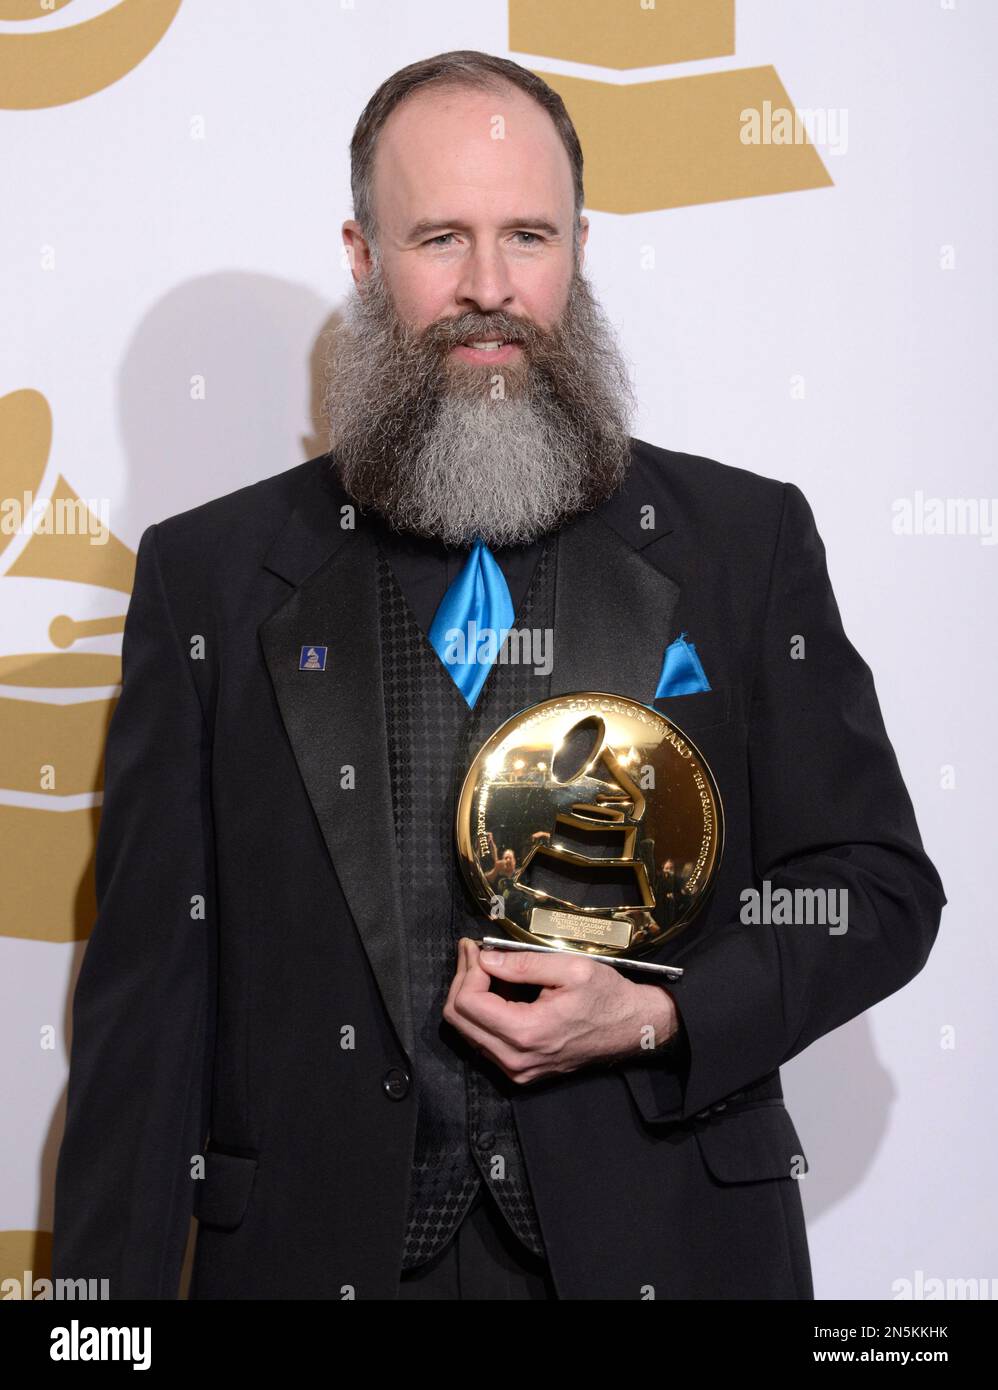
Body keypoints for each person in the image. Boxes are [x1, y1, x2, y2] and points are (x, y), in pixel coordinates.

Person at [51, 49, 945, 1301]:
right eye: (438, 239)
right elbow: (148, 1007)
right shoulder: (207, 577)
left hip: (669, 1257)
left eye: (526, 235)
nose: (488, 288)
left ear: (577, 247)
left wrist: (654, 1012)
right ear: (363, 256)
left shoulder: (743, 546)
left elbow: (869, 888)